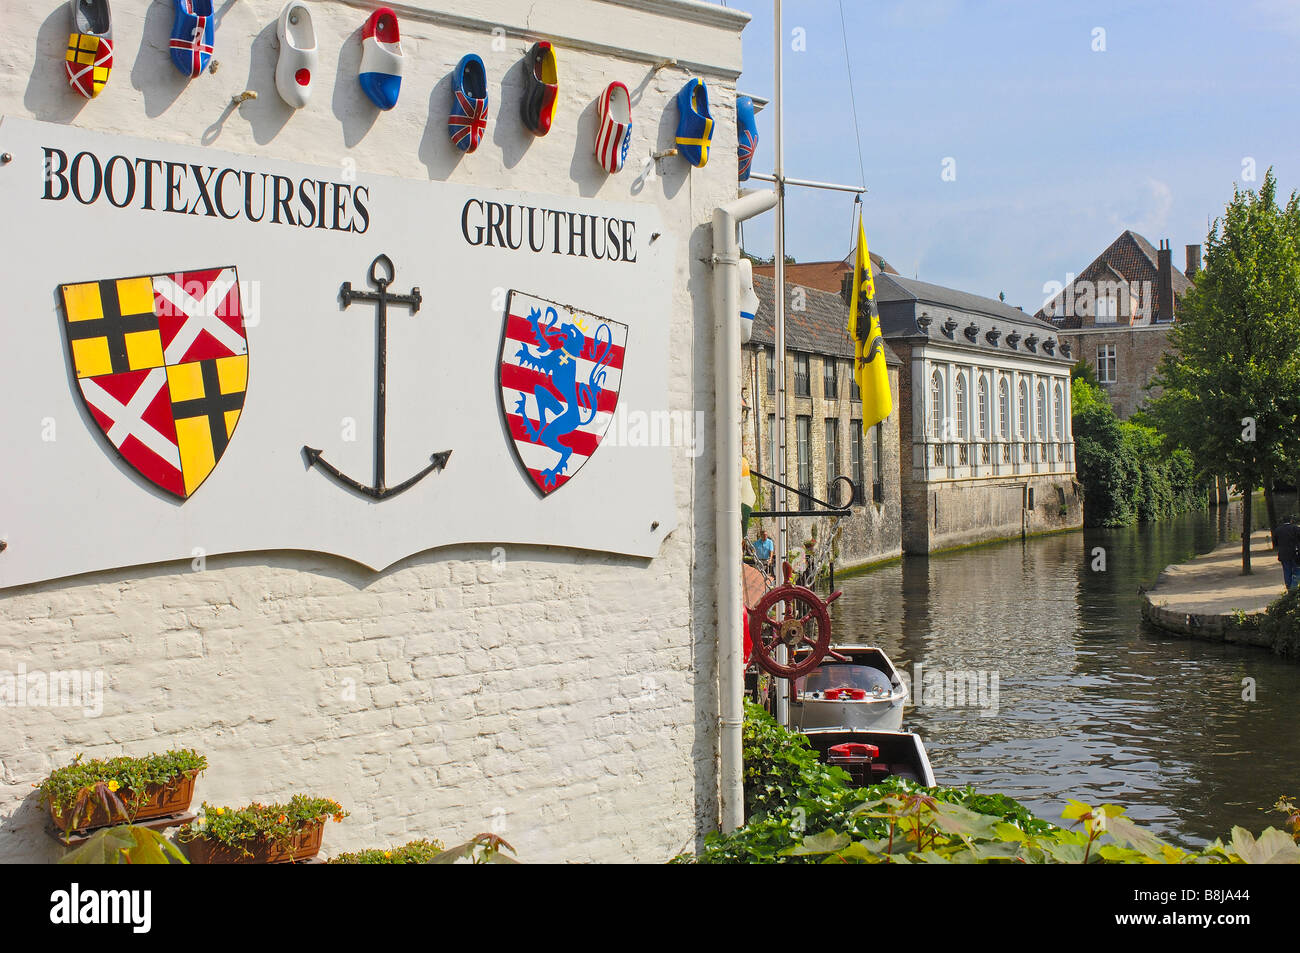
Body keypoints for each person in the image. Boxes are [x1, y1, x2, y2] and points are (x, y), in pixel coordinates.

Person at [1273, 514, 1299, 591]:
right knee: (1296, 570)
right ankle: (1293, 587)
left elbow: (1275, 543)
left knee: (1287, 571)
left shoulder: (1278, 530)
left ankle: (1288, 587)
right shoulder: (1295, 528)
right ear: (1291, 520)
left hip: (1283, 554)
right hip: (1295, 553)